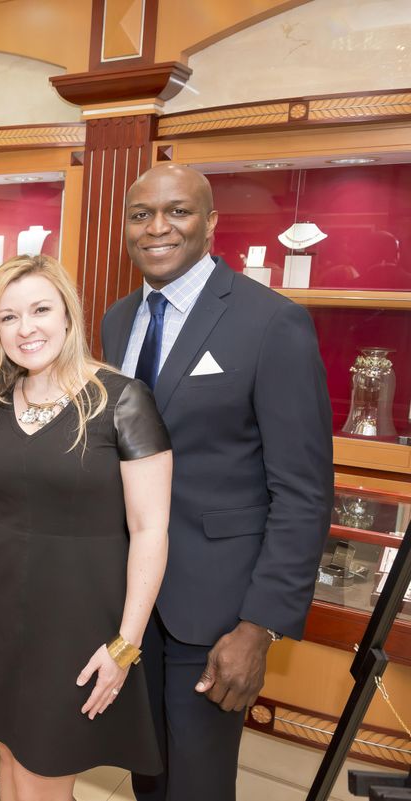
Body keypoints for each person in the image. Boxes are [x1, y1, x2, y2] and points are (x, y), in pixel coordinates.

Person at [100, 164, 334, 801]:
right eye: (141, 214)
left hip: (216, 613)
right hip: (131, 607)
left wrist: (258, 628)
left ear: (210, 224)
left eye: (177, 211)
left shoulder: (269, 323)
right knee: (148, 776)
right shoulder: (117, 321)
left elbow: (304, 492)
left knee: (198, 787)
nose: (157, 228)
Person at [0, 254, 171, 800]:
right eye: (8, 317)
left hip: (75, 619)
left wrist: (126, 645)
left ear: (68, 315)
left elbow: (150, 529)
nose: (26, 329)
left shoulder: (123, 400)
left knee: (46, 772)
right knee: (9, 758)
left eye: (40, 309)